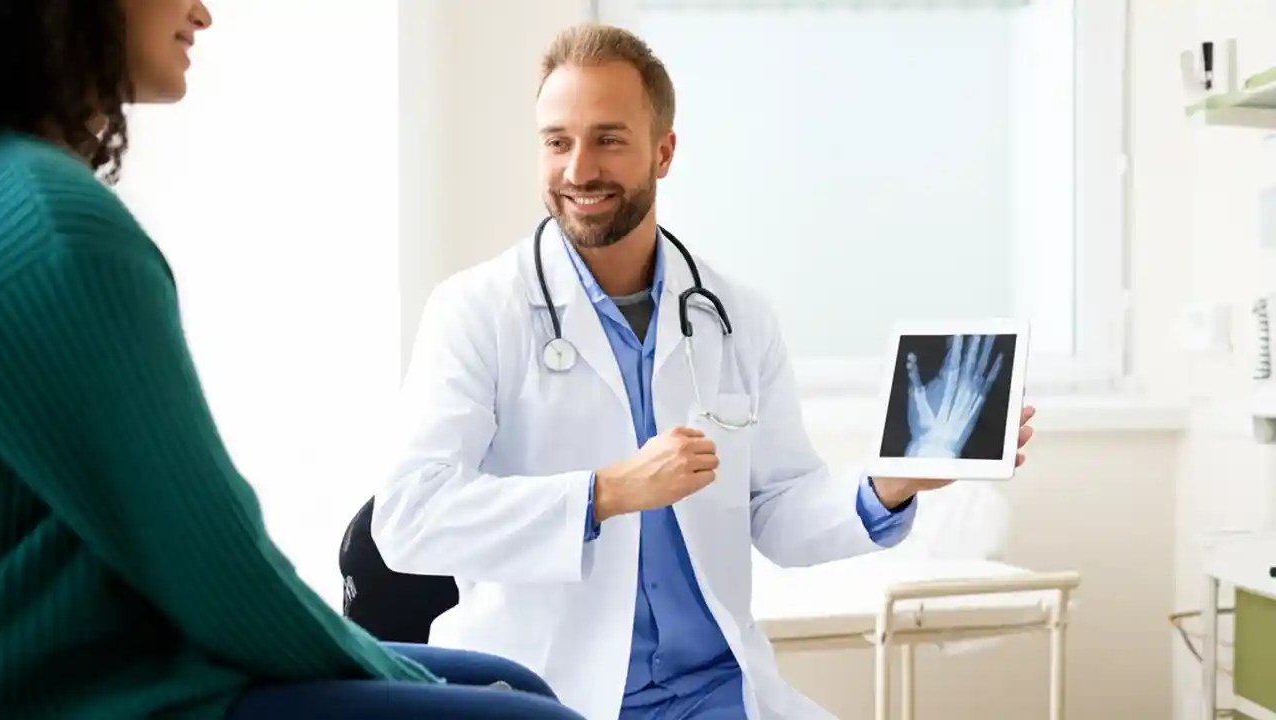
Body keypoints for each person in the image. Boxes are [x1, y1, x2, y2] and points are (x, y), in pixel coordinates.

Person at [371, 22, 1038, 720]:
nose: (577, 169)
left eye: (608, 138)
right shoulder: (476, 311)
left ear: (664, 152)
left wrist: (888, 485)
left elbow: (779, 511)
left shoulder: (736, 317)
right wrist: (606, 492)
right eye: (557, 141)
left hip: (715, 693)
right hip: (550, 692)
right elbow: (410, 517)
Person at [0, 2, 585, 718]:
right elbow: (218, 572)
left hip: (98, 651)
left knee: (508, 681)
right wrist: (413, 684)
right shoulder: (60, 229)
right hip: (97, 686)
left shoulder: (16, 191)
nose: (201, 11)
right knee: (528, 713)